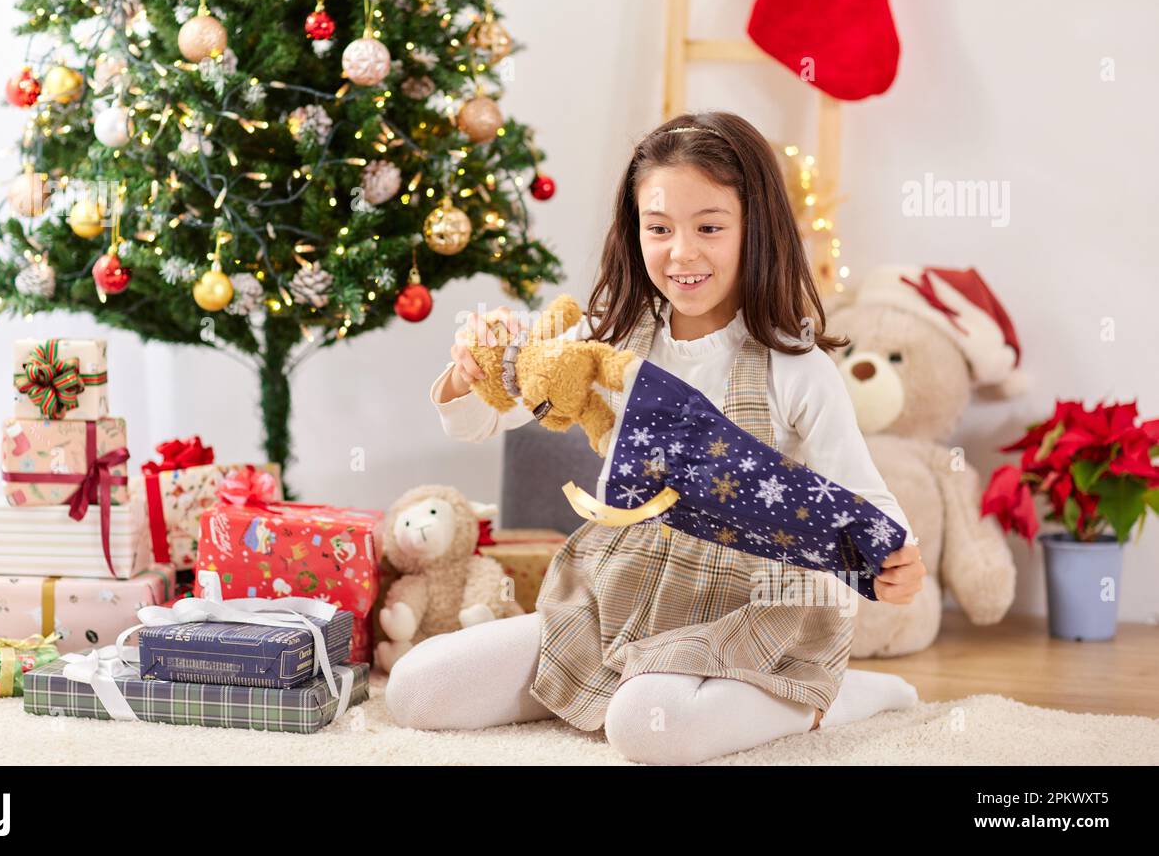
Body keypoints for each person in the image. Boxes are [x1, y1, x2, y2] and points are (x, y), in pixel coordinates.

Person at [386, 111, 925, 764]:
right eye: (660, 227)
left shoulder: (795, 368)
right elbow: (481, 418)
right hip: (620, 593)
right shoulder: (609, 335)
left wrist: (898, 557)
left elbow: (863, 497)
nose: (682, 252)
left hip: (750, 611)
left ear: (756, 229)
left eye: (710, 227)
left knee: (647, 726)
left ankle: (830, 694)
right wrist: (468, 374)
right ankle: (617, 677)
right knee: (418, 689)